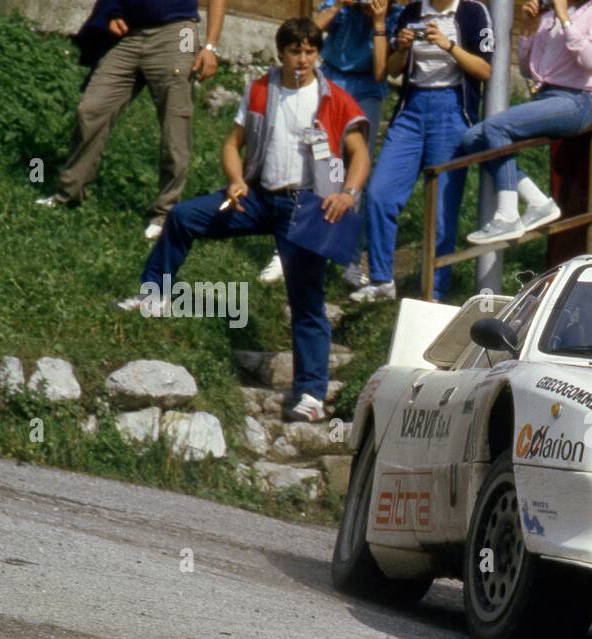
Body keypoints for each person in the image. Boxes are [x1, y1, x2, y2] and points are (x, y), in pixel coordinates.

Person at [115, 17, 372, 425]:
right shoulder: (260, 89)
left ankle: (310, 395)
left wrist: (348, 193)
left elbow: (360, 154)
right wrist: (235, 180)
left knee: (307, 302)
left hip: (305, 208)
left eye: (309, 51)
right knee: (182, 217)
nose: (302, 59)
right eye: (294, 51)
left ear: (317, 54)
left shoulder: (335, 98)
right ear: (281, 53)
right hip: (256, 196)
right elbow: (232, 144)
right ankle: (154, 294)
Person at [36, 0, 228, 241]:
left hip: (180, 32)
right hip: (130, 33)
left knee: (174, 125)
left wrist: (210, 46)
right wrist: (111, 13)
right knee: (91, 110)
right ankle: (69, 193)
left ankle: (164, 213)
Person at [350, 0, 493, 303]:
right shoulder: (412, 11)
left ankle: (434, 291)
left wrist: (448, 45)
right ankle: (381, 280)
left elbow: (484, 70)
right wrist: (401, 49)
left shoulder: (471, 11)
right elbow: (389, 70)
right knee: (380, 193)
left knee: (442, 209)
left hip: (452, 110)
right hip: (412, 109)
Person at [258, 0, 403, 288]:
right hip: (331, 80)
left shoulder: (394, 15)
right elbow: (308, 33)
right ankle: (285, 252)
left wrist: (378, 22)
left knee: (355, 172)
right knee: (313, 161)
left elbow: (381, 72)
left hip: (367, 89)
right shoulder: (343, 7)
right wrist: (338, 5)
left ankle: (348, 256)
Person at [462, 0, 592, 246]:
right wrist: (528, 27)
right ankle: (537, 201)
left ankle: (507, 214)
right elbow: (526, 69)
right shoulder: (547, 16)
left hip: (575, 100)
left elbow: (590, 60)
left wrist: (565, 18)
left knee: (495, 127)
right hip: (545, 97)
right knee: (472, 139)